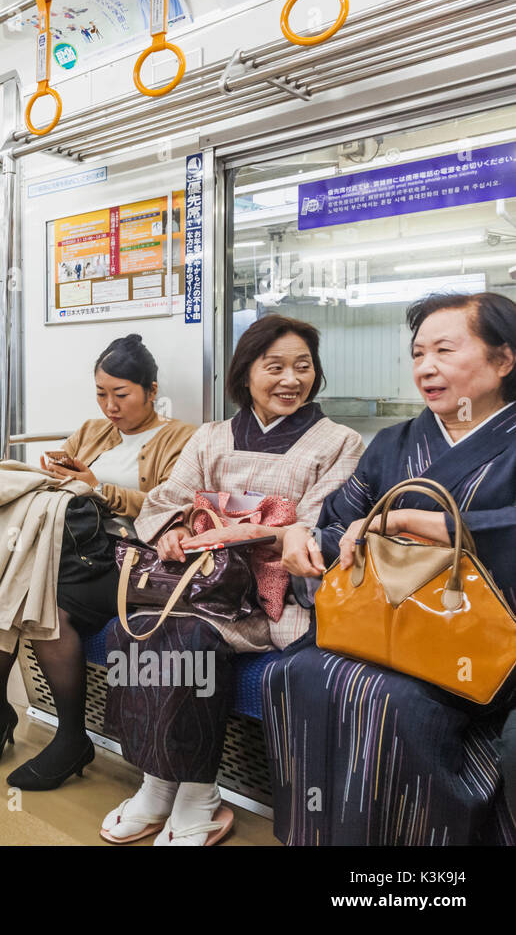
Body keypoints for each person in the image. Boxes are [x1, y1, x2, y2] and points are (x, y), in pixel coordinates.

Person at [100, 316, 363, 846]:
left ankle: (199, 792)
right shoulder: (213, 436)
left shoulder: (339, 442)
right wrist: (176, 531)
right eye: (276, 367)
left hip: (270, 594)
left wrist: (239, 527)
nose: (292, 379)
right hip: (199, 580)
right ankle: (157, 782)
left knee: (190, 640)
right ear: (246, 374)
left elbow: (316, 525)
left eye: (303, 367)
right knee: (132, 631)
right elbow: (166, 500)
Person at [267, 291, 516, 846]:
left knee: (398, 701)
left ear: (504, 359)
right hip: (383, 625)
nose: (426, 368)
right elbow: (340, 524)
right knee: (298, 672)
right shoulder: (395, 442)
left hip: (482, 638)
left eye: (445, 351)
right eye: (418, 352)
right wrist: (305, 538)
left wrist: (444, 528)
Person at [0, 335, 195, 790]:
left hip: (127, 561)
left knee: (43, 601)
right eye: (102, 394)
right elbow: (65, 486)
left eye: (121, 394)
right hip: (70, 550)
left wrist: (96, 488)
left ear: (151, 389)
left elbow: (171, 507)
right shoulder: (91, 431)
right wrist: (58, 472)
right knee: (3, 586)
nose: (111, 406)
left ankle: (70, 738)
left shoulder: (181, 438)